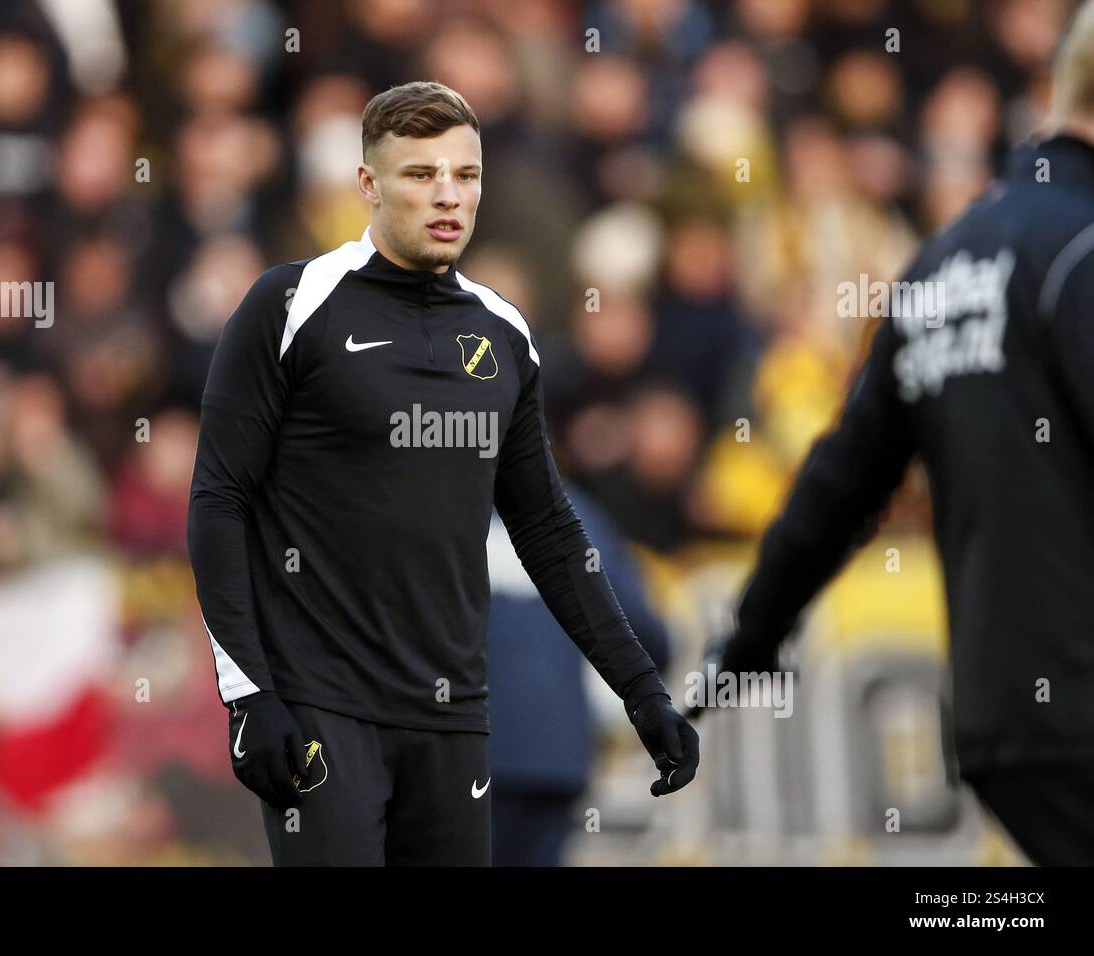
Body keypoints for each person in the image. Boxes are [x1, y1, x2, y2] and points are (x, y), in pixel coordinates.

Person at [187, 81, 698, 866]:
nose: (449, 196)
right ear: (367, 184)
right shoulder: (288, 305)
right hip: (326, 705)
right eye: (421, 175)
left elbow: (549, 530)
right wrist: (248, 692)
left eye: (466, 174)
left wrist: (641, 689)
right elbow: (219, 501)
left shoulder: (503, 331)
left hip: (455, 717)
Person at [698, 4, 1094, 866]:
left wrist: (745, 643)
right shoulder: (1080, 252)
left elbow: (840, 483)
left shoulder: (945, 259)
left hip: (1004, 722)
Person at [487, 487, 672, 866]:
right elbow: (651, 639)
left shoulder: (433, 508)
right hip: (555, 753)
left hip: (461, 751)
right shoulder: (576, 515)